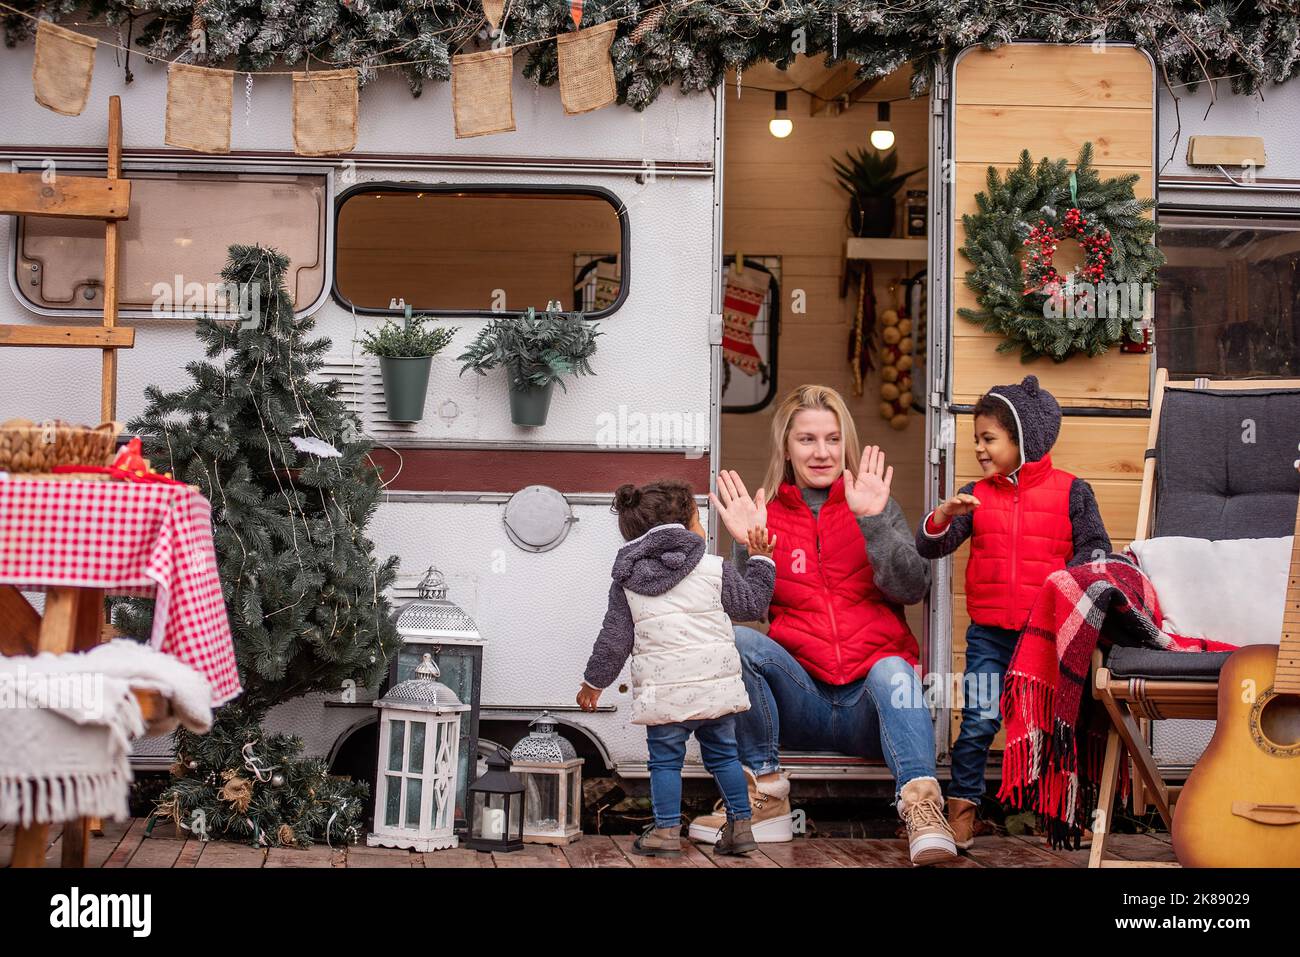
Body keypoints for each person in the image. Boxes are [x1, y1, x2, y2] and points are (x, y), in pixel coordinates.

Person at [695, 384, 957, 865]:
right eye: (807, 440)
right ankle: (766, 794)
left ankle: (922, 811)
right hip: (802, 702)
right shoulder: (766, 515)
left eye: (832, 439)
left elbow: (911, 589)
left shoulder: (876, 505)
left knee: (894, 669)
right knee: (738, 642)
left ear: (846, 444)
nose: (821, 452)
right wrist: (753, 551)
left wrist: (873, 522)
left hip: (871, 710)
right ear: (786, 448)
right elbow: (747, 609)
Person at [915, 375, 1110, 850]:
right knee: (980, 718)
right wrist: (942, 516)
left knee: (1051, 724)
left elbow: (1096, 549)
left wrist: (1073, 579)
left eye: (989, 439)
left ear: (1024, 438)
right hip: (989, 635)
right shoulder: (974, 494)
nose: (979, 449)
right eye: (976, 439)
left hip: (1047, 638)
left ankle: (1059, 817)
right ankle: (961, 809)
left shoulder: (1072, 492)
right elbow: (929, 546)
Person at [577, 479, 777, 858]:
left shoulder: (628, 581)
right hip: (714, 692)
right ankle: (741, 826)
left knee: (665, 762)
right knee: (725, 757)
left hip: (663, 695)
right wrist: (761, 560)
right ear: (686, 525)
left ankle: (666, 831)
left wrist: (594, 682)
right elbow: (751, 605)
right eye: (699, 520)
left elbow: (614, 638)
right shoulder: (713, 568)